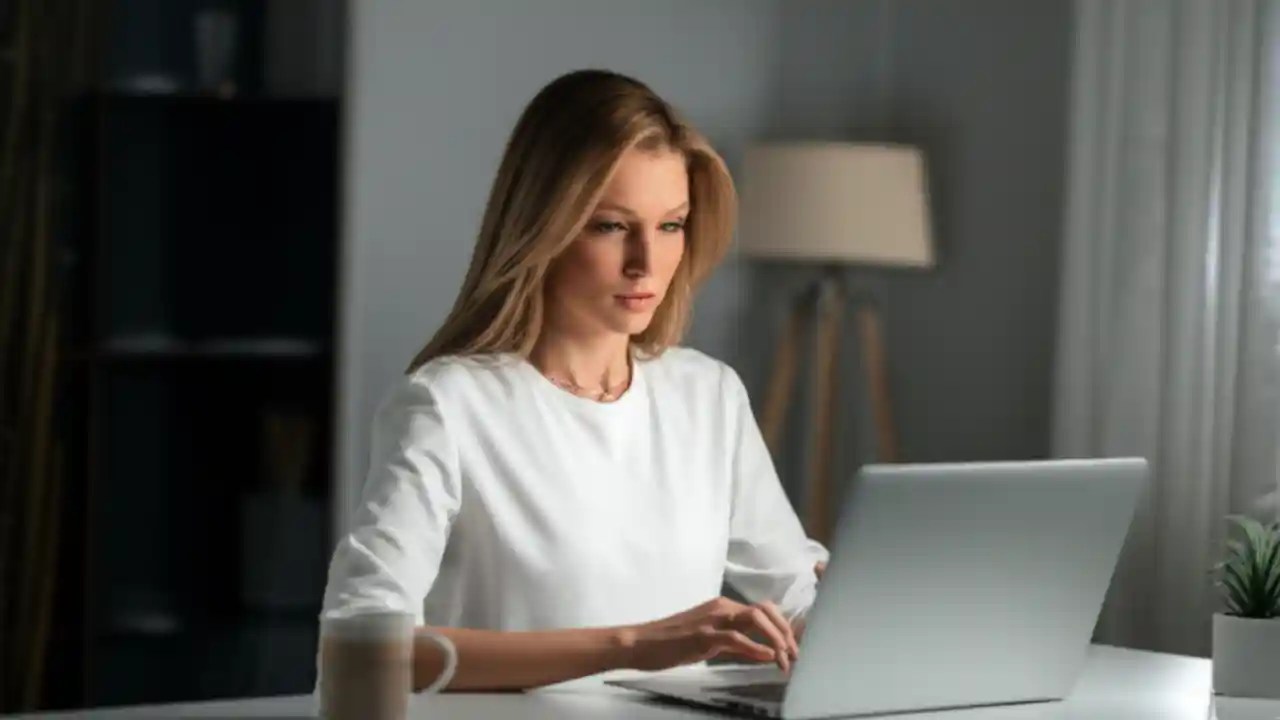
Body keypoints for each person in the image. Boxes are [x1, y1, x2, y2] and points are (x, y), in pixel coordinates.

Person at [320, 68, 828, 693]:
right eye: (611, 226)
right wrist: (632, 645)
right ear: (544, 226)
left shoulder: (709, 396)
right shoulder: (447, 405)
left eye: (671, 225)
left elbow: (801, 603)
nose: (646, 261)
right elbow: (359, 644)